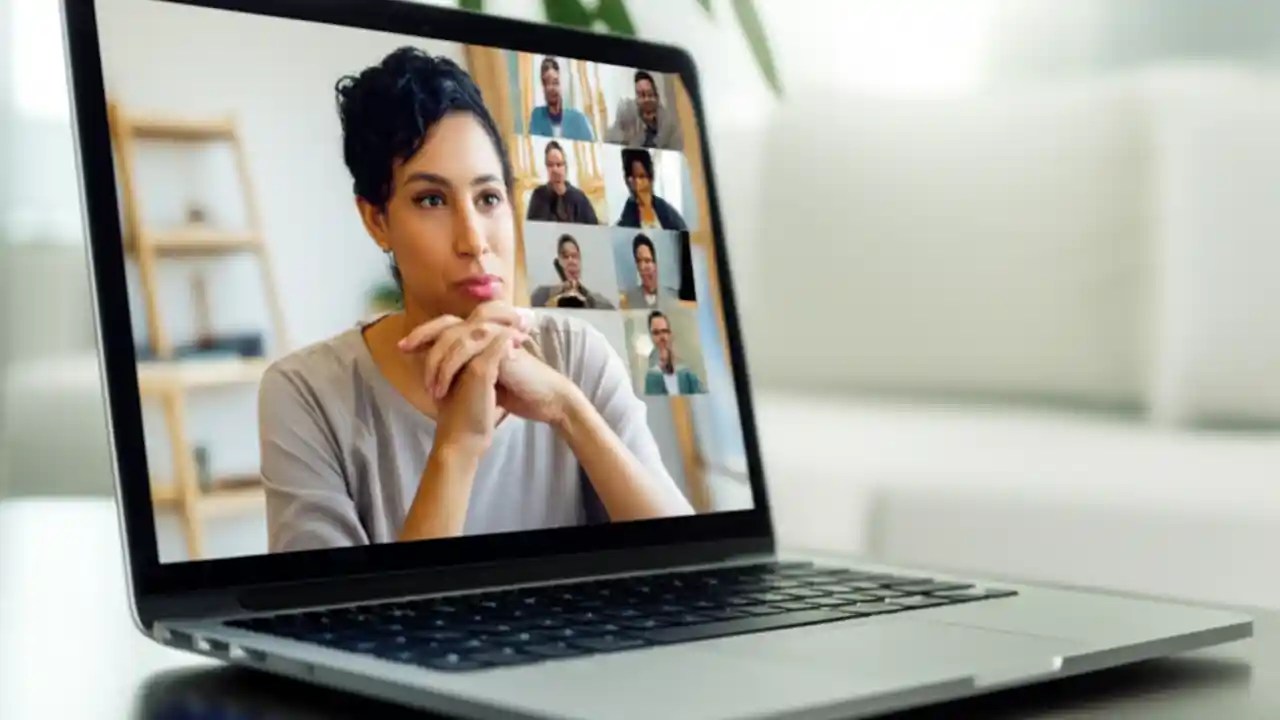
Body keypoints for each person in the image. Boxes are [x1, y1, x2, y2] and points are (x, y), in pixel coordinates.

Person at [259, 48, 692, 552]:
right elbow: (329, 625)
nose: (474, 240)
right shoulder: (306, 396)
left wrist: (566, 408)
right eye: (432, 200)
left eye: (488, 198)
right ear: (377, 220)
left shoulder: (575, 356)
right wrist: (457, 447)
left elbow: (690, 563)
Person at [530, 234, 616, 309]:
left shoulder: (596, 301)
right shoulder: (542, 294)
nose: (571, 261)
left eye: (575, 256)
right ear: (559, 262)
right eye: (566, 256)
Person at [525, 141, 599, 224]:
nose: (555, 169)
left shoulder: (579, 197)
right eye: (550, 165)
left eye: (559, 164)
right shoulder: (538, 196)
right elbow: (533, 231)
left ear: (565, 167)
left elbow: (593, 228)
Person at [605, 70, 682, 150]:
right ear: (636, 99)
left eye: (650, 94)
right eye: (642, 95)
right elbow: (609, 142)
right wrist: (627, 138)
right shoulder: (626, 116)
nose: (646, 100)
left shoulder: (668, 124)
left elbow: (676, 150)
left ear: (657, 97)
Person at [616, 148, 687, 230]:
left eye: (642, 176)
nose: (638, 183)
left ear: (650, 178)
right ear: (628, 181)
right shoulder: (625, 224)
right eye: (633, 178)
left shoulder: (666, 212)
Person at [527, 57, 594, 141]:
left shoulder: (578, 120)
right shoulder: (537, 116)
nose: (550, 88)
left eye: (555, 82)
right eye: (546, 83)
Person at [643, 311, 705, 396]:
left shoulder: (687, 372)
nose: (662, 337)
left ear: (670, 334)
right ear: (651, 337)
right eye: (656, 333)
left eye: (664, 331)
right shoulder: (651, 377)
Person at [621, 233, 677, 310]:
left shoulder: (671, 299)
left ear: (655, 264)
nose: (642, 267)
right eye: (638, 261)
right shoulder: (629, 298)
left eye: (647, 261)